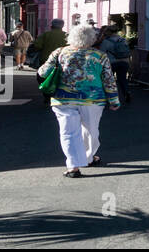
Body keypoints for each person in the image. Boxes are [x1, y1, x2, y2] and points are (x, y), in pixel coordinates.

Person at [37, 21, 121, 177]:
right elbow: (109, 80)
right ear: (92, 39)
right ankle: (89, 158)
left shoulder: (59, 52)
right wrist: (114, 100)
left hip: (63, 99)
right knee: (91, 130)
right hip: (93, 100)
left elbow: (43, 73)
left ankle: (73, 167)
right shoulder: (99, 56)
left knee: (68, 132)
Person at [99, 24, 133, 104]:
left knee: (109, 81)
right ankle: (126, 93)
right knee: (122, 79)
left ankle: (110, 98)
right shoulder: (123, 40)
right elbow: (128, 52)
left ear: (109, 32)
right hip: (124, 62)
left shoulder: (106, 41)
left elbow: (101, 53)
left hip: (112, 63)